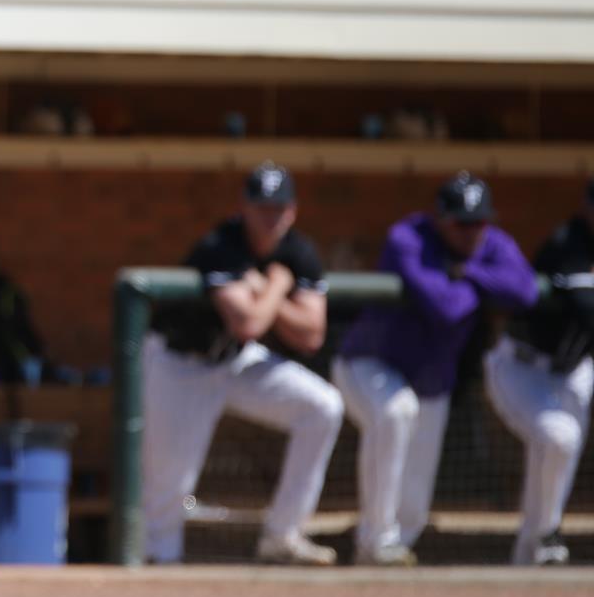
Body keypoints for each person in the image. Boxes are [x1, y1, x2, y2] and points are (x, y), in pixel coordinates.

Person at [141, 164, 344, 565]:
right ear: (244, 208)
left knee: (322, 407)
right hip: (181, 363)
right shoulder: (221, 245)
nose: (271, 217)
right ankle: (159, 564)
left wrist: (269, 288)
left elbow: (312, 334)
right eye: (262, 207)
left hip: (235, 361)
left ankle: (283, 535)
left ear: (293, 211)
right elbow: (248, 323)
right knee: (170, 484)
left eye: (279, 208)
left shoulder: (298, 251)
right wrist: (281, 285)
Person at [333, 172, 537, 566]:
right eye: (461, 223)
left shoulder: (490, 244)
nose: (471, 232)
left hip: (431, 379)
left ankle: (394, 552)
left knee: (415, 501)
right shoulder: (407, 238)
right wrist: (484, 287)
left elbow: (524, 290)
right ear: (441, 218)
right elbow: (447, 307)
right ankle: (373, 542)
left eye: (479, 222)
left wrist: (468, 273)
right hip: (368, 363)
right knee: (395, 413)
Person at [483, 179, 594, 565]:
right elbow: (587, 311)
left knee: (555, 459)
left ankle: (530, 560)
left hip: (576, 369)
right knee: (558, 438)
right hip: (523, 367)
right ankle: (548, 532)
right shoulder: (568, 244)